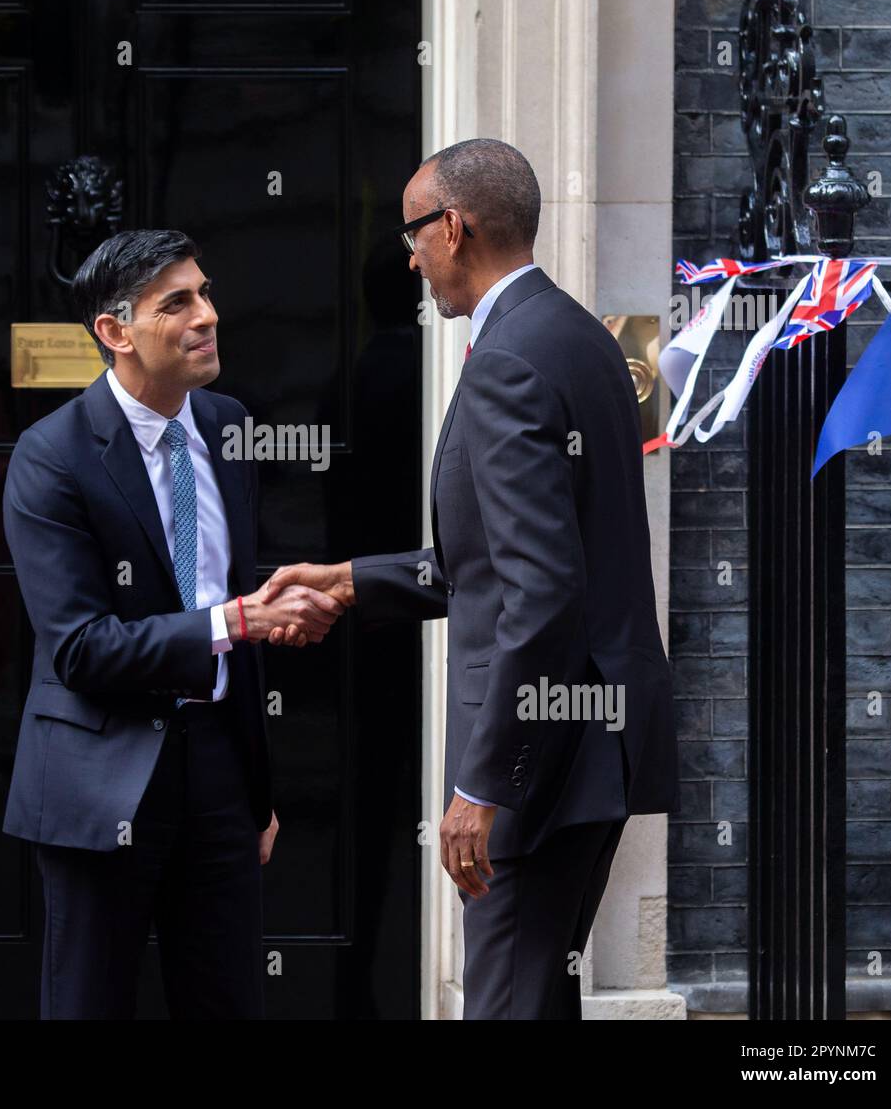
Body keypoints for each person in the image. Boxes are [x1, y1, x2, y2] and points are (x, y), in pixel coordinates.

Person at [266, 138, 680, 1019]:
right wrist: (349, 579)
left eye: (414, 233)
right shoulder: (581, 336)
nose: (409, 257)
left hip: (540, 768)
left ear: (451, 227)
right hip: (593, 746)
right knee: (539, 999)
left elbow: (540, 594)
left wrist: (483, 784)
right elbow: (506, 561)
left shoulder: (505, 362)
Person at [1, 229, 343, 1019]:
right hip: (99, 779)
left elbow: (225, 596)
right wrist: (236, 619)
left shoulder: (229, 426)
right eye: (177, 303)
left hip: (220, 771)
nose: (207, 316)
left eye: (206, 293)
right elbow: (82, 648)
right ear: (115, 332)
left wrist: (255, 786)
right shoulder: (51, 456)